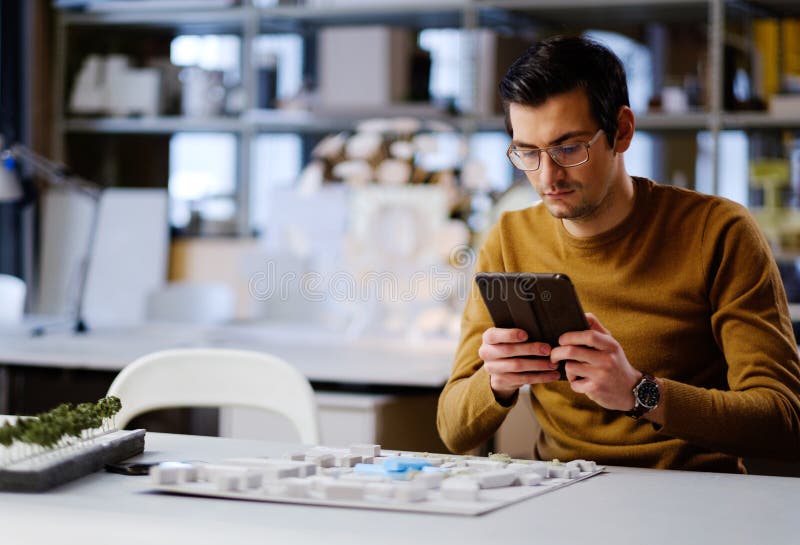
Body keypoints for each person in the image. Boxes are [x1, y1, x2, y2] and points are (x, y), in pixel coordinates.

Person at [436, 35, 800, 473]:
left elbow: (783, 422)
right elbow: (454, 430)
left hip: (693, 500)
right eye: (528, 152)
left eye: (569, 148)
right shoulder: (510, 238)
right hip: (561, 495)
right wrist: (496, 382)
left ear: (622, 131)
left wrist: (638, 392)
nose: (548, 176)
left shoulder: (719, 232)